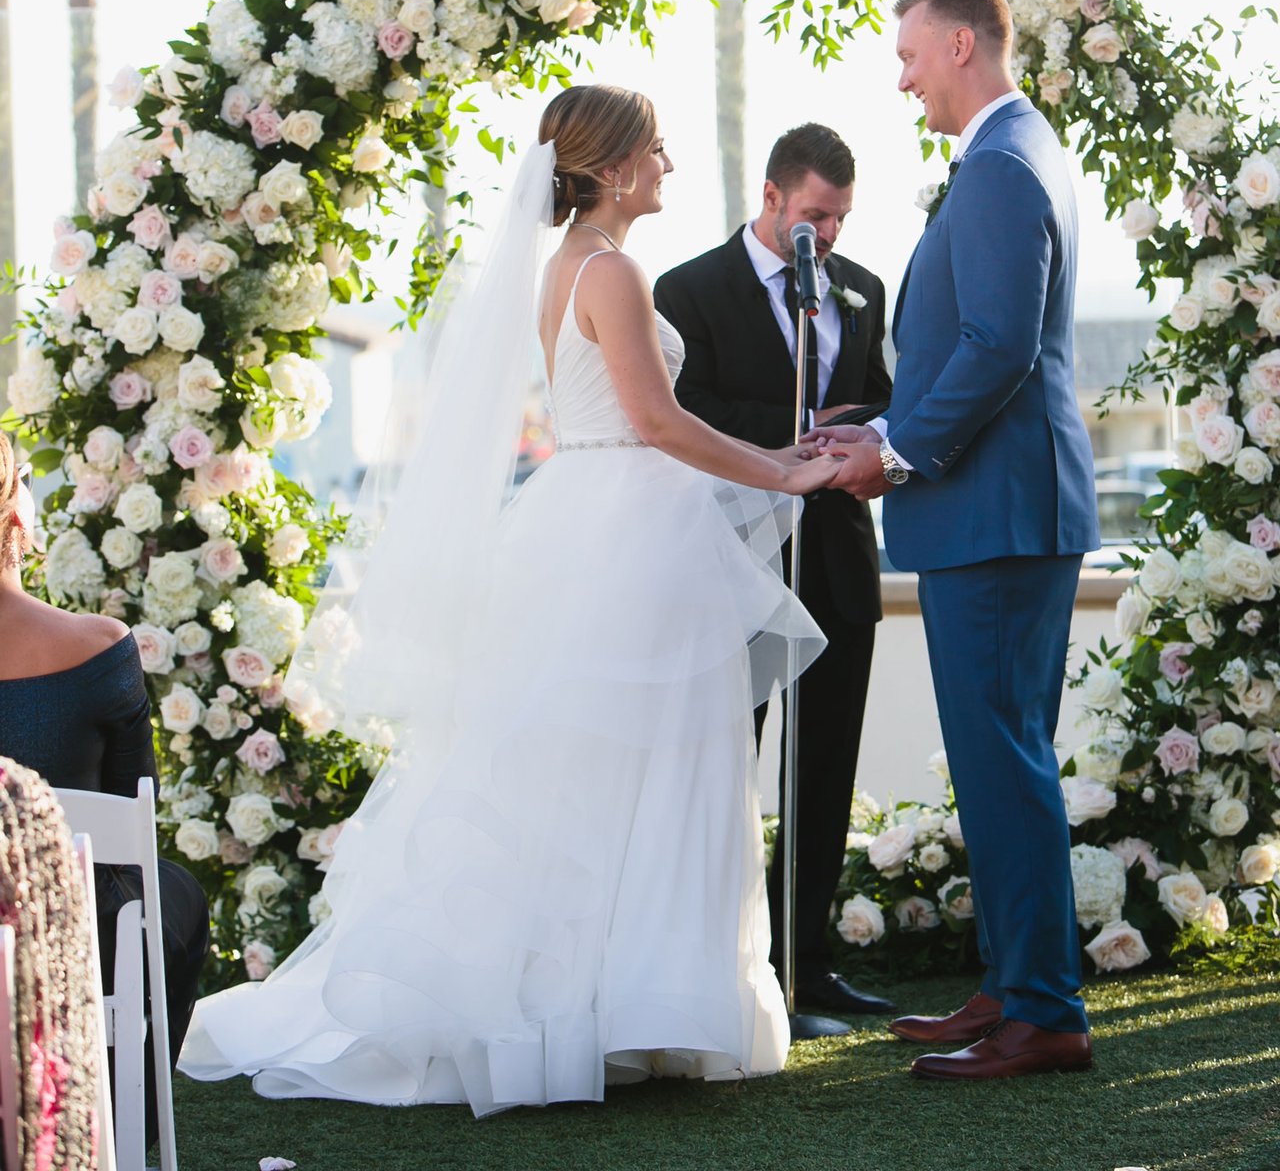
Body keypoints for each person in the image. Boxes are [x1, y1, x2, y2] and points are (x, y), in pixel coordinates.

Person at [181, 85, 840, 1117]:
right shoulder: (612, 269)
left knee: (599, 768)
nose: (667, 164)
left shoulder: (567, 266)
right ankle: (621, 1008)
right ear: (616, 167)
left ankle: (621, 1004)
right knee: (642, 761)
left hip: (593, 522)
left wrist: (774, 453)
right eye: (656, 150)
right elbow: (656, 424)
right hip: (627, 533)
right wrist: (786, 474)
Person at [810, 0, 1100, 1081]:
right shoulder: (1016, 153)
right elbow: (968, 352)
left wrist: (888, 454)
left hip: (991, 515)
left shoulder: (996, 165)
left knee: (1001, 758)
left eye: (910, 55)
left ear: (964, 44)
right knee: (996, 757)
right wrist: (877, 420)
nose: (900, 76)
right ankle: (1011, 982)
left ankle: (1042, 1012)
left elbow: (994, 347)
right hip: (997, 508)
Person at [653, 124, 894, 1019]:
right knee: (730, 758)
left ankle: (808, 963)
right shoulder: (687, 289)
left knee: (827, 764)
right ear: (771, 199)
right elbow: (684, 408)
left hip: (836, 555)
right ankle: (724, 964)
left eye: (837, 219)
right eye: (815, 216)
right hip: (731, 559)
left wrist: (854, 421)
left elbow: (888, 399)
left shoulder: (864, 290)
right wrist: (791, 435)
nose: (827, 235)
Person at [0, 429, 211, 1145]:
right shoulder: (99, 647)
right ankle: (107, 1124)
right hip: (69, 926)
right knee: (174, 892)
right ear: (17, 517)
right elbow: (132, 824)